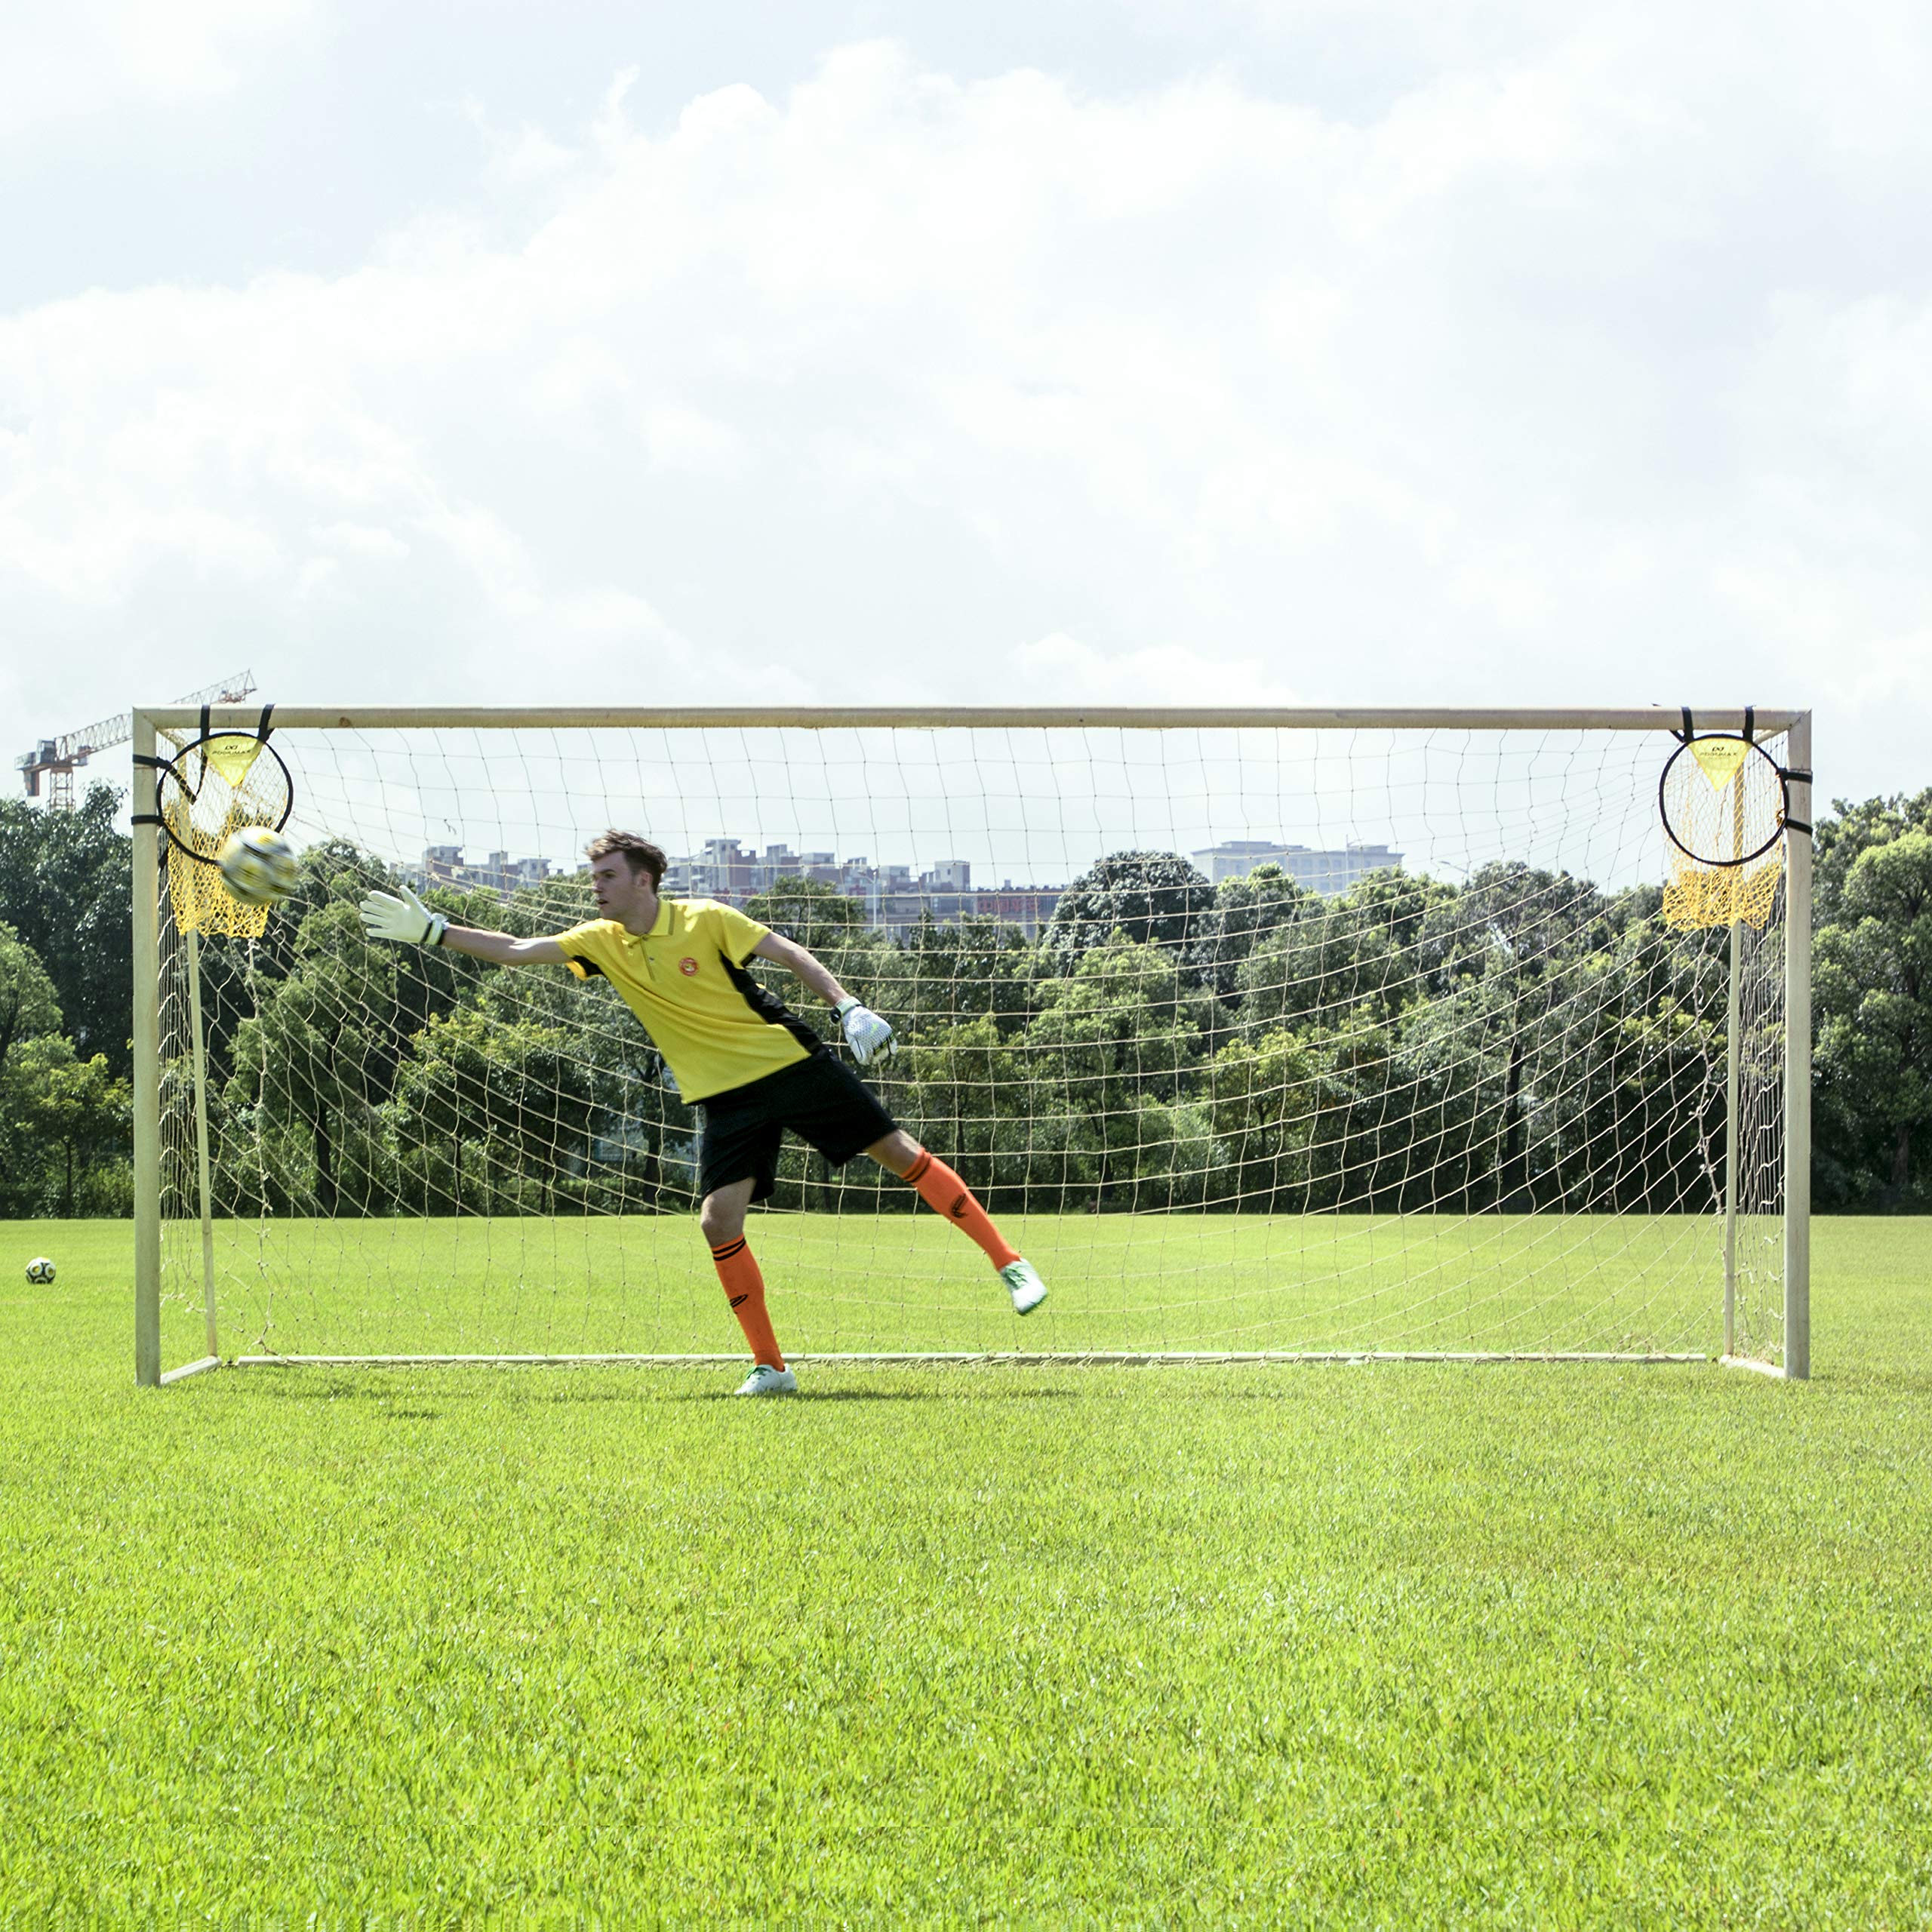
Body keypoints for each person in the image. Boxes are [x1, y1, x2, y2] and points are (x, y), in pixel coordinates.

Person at [359, 831, 1046, 1395]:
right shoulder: (601, 940)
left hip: (790, 1064)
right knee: (718, 1219)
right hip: (726, 1096)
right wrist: (434, 931)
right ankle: (771, 1368)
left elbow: (788, 953)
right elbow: (515, 952)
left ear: (643, 880)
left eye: (605, 875)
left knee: (897, 1154)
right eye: (592, 876)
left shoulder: (707, 919)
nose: (594, 886)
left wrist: (847, 1006)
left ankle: (1009, 1262)